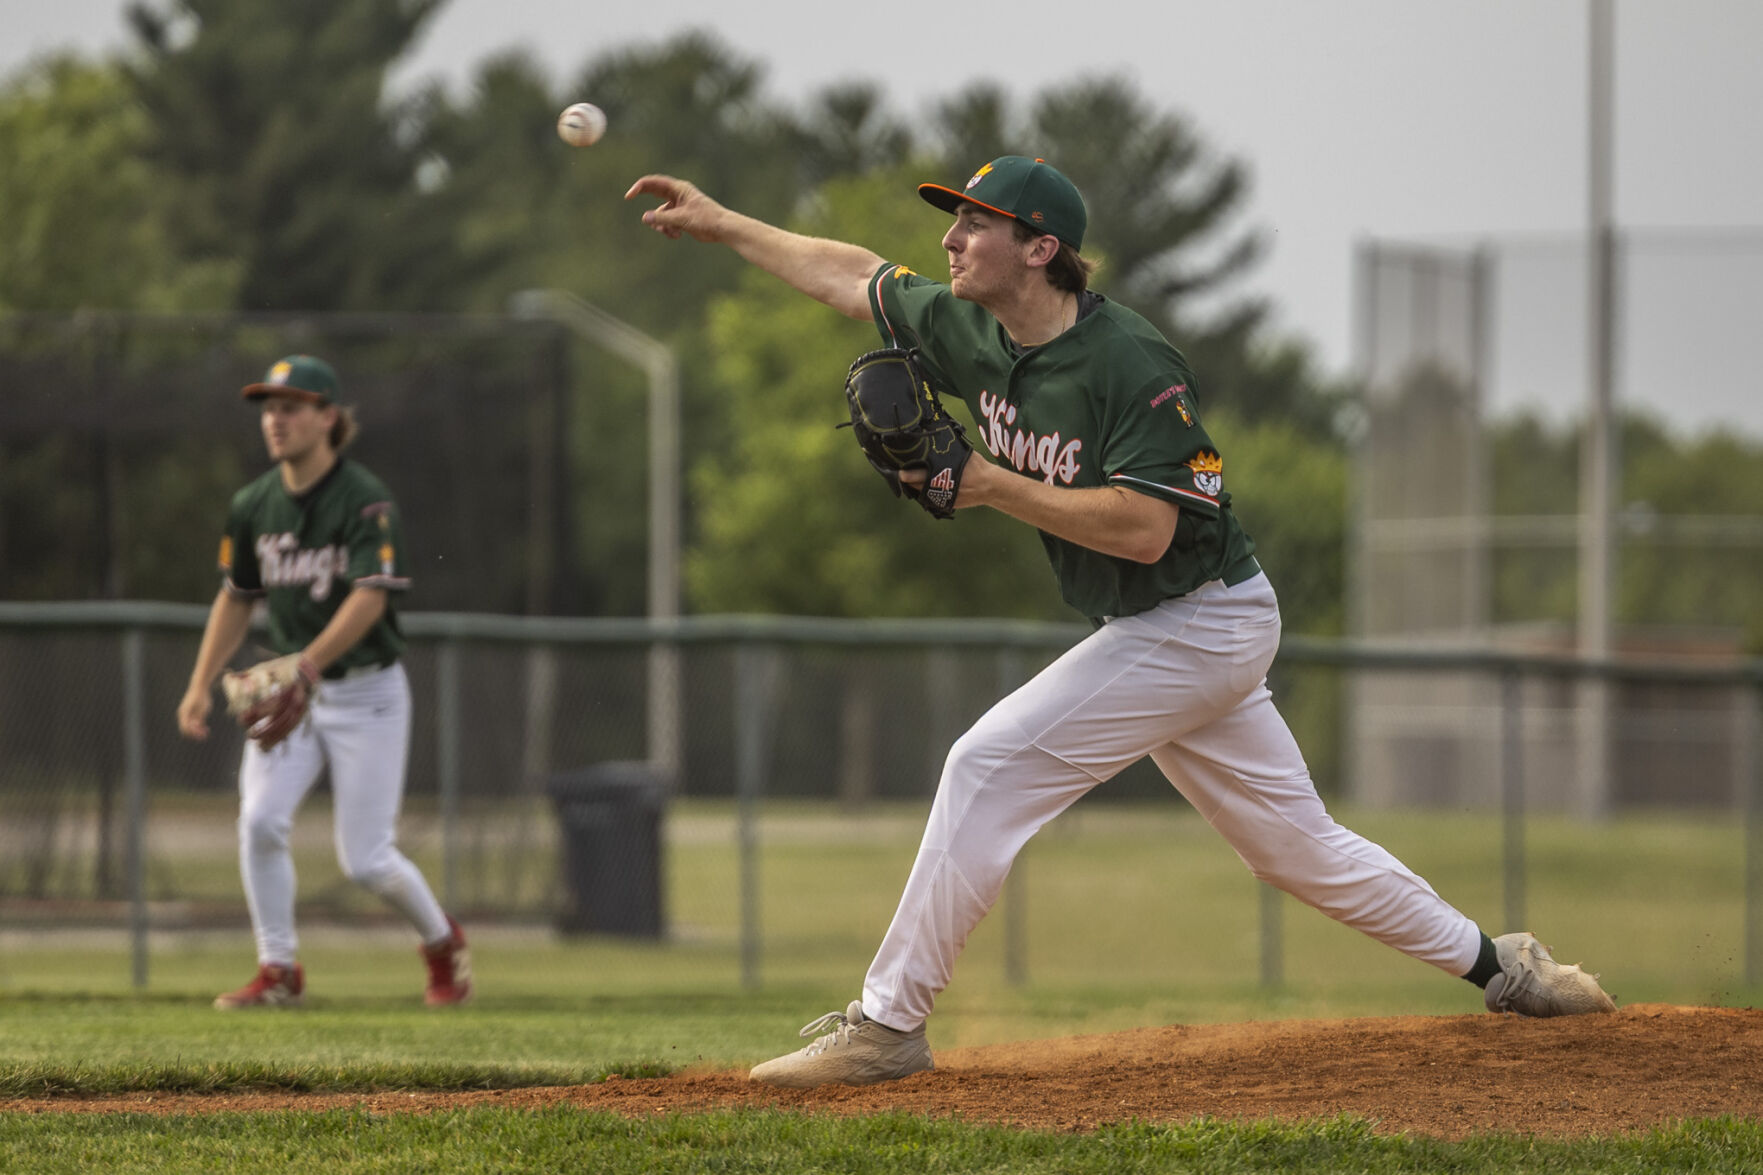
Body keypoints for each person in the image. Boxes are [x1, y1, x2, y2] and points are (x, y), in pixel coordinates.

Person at [626, 156, 1614, 1088]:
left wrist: (983, 484)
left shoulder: (1127, 361)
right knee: (1294, 849)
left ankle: (887, 1024)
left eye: (977, 222)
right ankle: (1508, 968)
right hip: (1166, 627)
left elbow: (1145, 529)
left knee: (984, 761)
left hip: (1200, 618)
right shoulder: (969, 327)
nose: (954, 239)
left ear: (1040, 247)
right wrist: (719, 223)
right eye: (956, 220)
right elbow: (853, 274)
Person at [176, 354, 471, 1010]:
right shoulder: (253, 504)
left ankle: (441, 941)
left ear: (328, 418)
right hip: (294, 695)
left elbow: (370, 597)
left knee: (366, 859)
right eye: (269, 407)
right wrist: (199, 683)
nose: (275, 419)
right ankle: (278, 969)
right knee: (258, 821)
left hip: (366, 692)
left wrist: (305, 665)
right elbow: (236, 596)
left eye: (292, 406)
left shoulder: (363, 499)